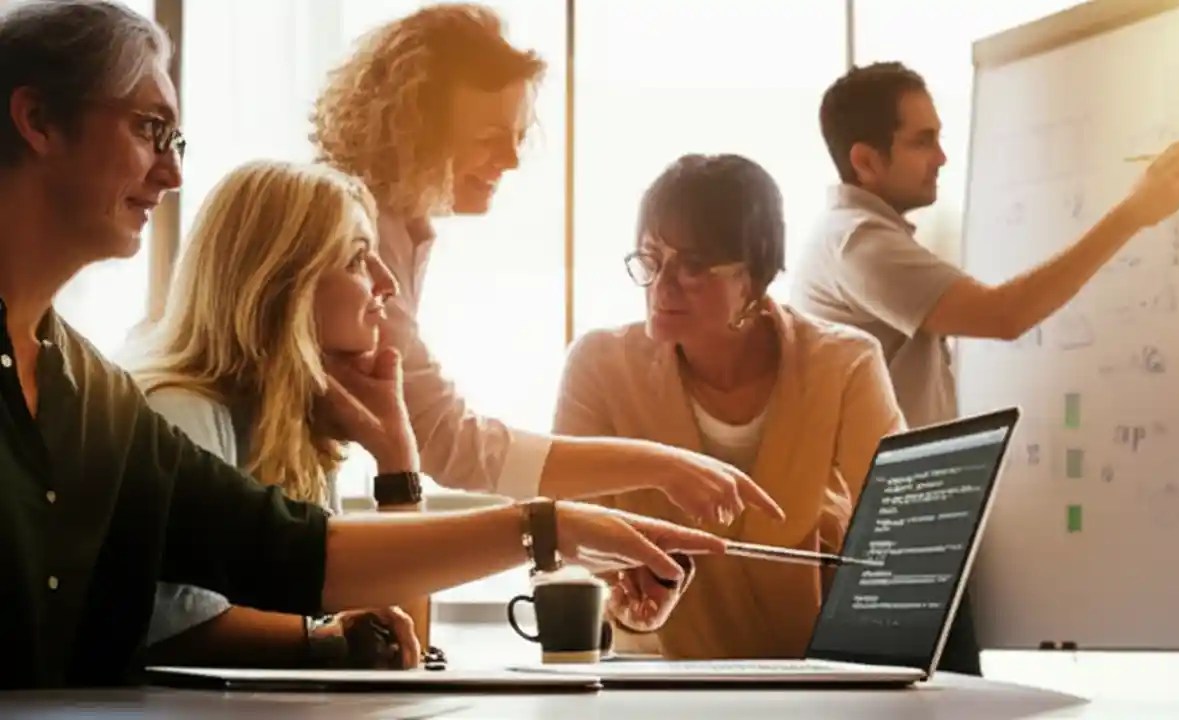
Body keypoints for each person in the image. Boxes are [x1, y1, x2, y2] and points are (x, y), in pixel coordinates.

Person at [0, 0, 725, 689]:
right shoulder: (160, 403)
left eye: (176, 140)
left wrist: (542, 523)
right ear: (37, 120)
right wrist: (559, 518)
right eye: (150, 129)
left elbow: (297, 551)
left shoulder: (90, 390)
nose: (174, 171)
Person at [789, 61, 1179, 674]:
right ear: (866, 160)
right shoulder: (860, 243)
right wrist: (1135, 213)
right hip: (891, 530)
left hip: (898, 522)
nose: (943, 158)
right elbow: (1002, 314)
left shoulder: (859, 235)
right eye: (922, 141)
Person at [310, 4, 782, 527]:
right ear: (413, 132)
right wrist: (664, 466)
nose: (512, 160)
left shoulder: (397, 229)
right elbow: (449, 440)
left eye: (517, 135)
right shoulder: (358, 236)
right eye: (490, 138)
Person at [554, 154, 905, 659]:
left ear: (756, 277)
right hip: (651, 670)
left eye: (693, 266)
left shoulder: (843, 364)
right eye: (651, 258)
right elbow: (567, 534)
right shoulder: (601, 365)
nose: (662, 284)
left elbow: (890, 534)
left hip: (810, 672)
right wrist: (622, 596)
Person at [123, 160, 430, 668]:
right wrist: (327, 638)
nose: (387, 282)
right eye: (358, 259)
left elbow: (400, 637)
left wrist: (397, 462)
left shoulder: (294, 429)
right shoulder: (179, 412)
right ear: (284, 281)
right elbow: (173, 631)